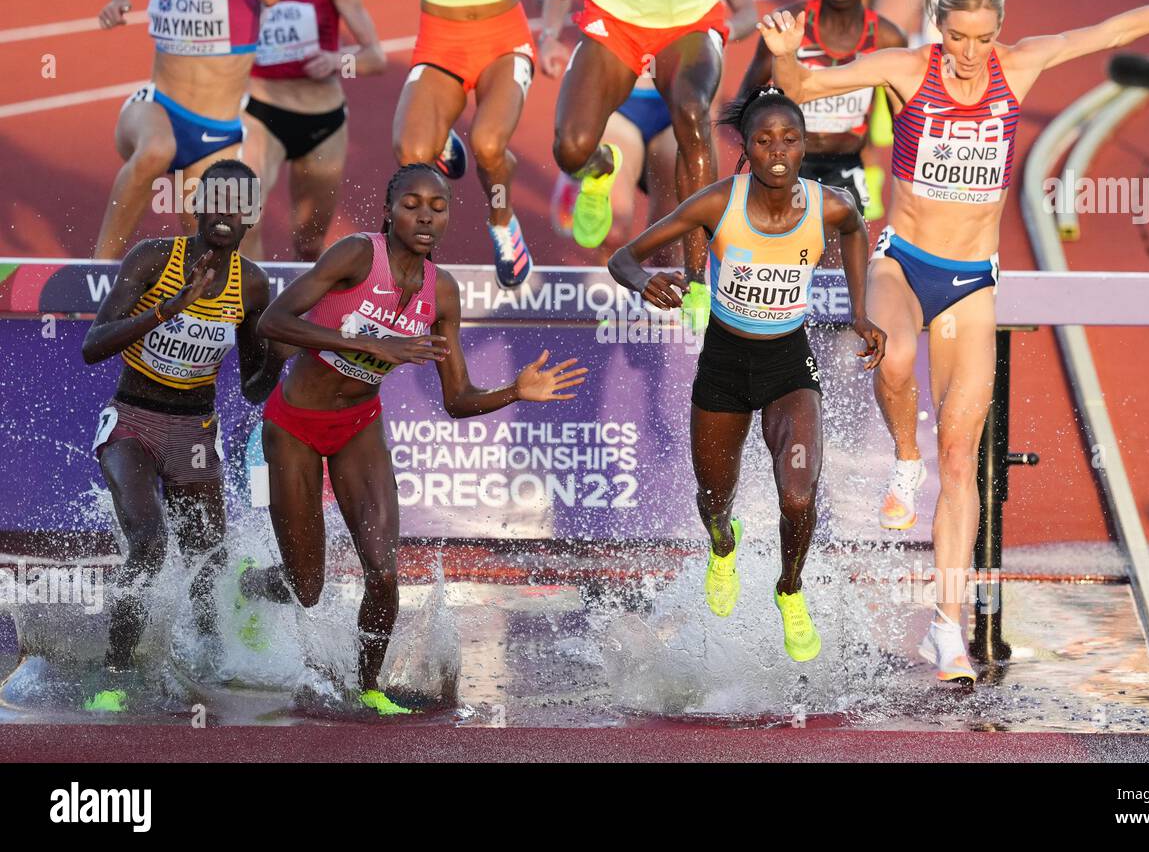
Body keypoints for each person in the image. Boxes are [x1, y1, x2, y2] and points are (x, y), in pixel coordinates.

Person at [759, 0, 1149, 682]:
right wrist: (789, 57)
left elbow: (1112, 31)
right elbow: (806, 87)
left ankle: (948, 629)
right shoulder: (910, 70)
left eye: (981, 40)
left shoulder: (1016, 66)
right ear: (940, 29)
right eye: (958, 39)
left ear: (998, 33)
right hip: (905, 262)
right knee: (890, 357)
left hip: (969, 282)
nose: (967, 55)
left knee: (960, 460)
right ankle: (901, 459)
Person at [238, 164, 587, 715]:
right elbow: (273, 322)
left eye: (438, 206)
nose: (425, 215)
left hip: (359, 427)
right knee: (307, 585)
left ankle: (368, 686)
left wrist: (514, 392)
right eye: (412, 204)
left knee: (383, 572)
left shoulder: (440, 293)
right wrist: (374, 346)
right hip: (295, 426)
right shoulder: (356, 255)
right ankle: (253, 585)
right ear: (387, 210)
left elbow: (458, 400)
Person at [608, 86, 886, 663]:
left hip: (789, 366)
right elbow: (624, 258)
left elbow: (856, 227)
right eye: (764, 141)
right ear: (747, 151)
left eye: (790, 139)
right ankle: (722, 547)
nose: (778, 151)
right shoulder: (716, 204)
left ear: (804, 145)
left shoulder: (827, 204)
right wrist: (645, 283)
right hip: (725, 367)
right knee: (714, 498)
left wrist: (860, 312)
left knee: (797, 494)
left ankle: (789, 589)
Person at [553, 0, 920, 326]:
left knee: (692, 116)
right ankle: (599, 169)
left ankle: (697, 280)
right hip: (617, 22)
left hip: (687, 23)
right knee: (572, 149)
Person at [188, 0, 568, 288]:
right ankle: (435, 163)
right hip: (441, 44)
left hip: (502, 42)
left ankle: (502, 222)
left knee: (489, 145)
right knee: (412, 156)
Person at [81, 160, 283, 711]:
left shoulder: (253, 283)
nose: (226, 214)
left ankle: (211, 656)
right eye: (216, 200)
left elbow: (253, 387)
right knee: (148, 543)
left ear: (251, 217)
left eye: (239, 205)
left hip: (196, 429)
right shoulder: (152, 259)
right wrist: (169, 309)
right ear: (197, 204)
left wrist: (280, 356)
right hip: (132, 422)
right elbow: (93, 345)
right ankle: (117, 668)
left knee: (207, 557)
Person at [539, 0, 758, 261]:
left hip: (675, 109)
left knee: (667, 243)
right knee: (612, 232)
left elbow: (748, 11)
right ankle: (606, 305)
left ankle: (666, 310)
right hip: (621, 104)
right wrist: (549, 35)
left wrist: (716, 35)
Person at [95, 0, 281, 259]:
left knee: (212, 252)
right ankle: (96, 271)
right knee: (156, 150)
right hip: (155, 107)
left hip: (216, 134)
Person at [239, 0, 388, 262]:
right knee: (244, 217)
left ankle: (298, 311)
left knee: (308, 243)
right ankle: (247, 310)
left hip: (323, 123)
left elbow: (375, 58)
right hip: (259, 113)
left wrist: (337, 61)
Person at [738, 0, 906, 230]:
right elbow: (746, 97)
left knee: (836, 263)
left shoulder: (887, 38)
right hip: (785, 164)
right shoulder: (789, 27)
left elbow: (904, 119)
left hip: (846, 165)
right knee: (782, 252)